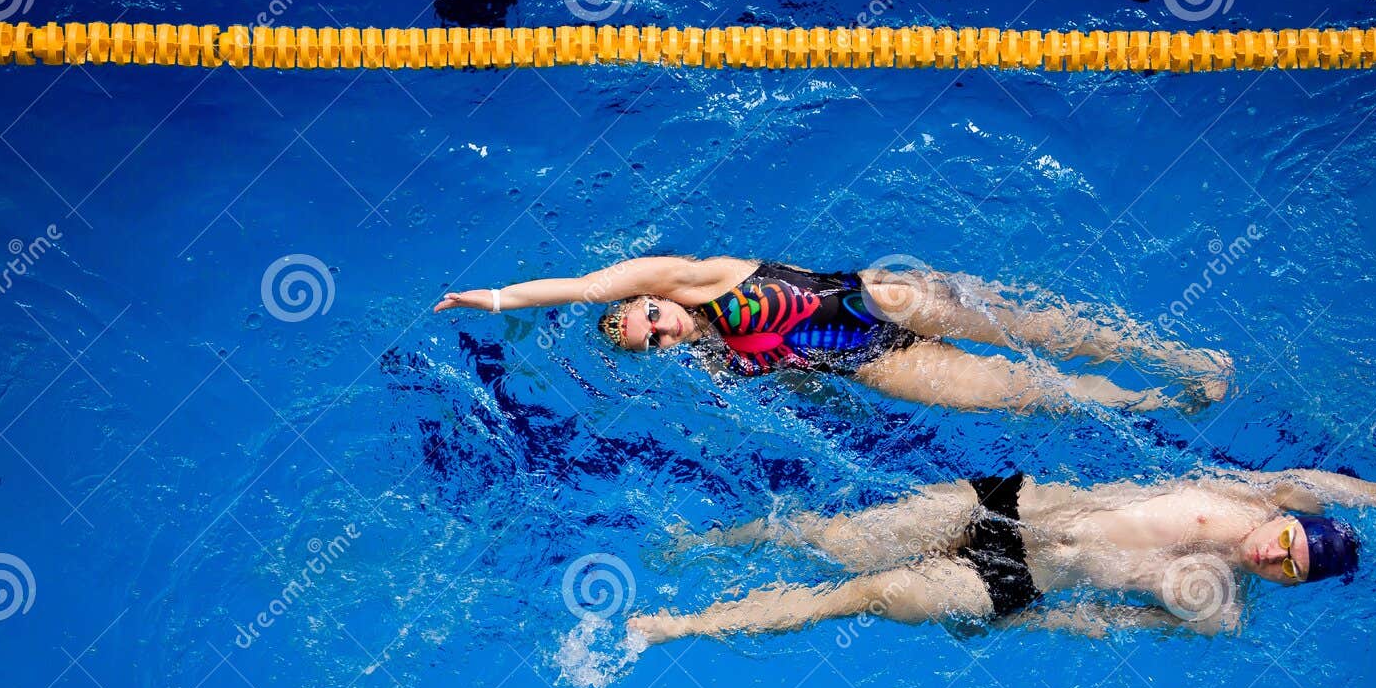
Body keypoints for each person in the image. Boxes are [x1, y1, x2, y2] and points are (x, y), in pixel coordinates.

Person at [626, 467, 1376, 645]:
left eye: (1289, 570)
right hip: (1011, 504)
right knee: (827, 535)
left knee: (854, 596)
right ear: (1294, 521)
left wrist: (1028, 625)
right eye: (1291, 543)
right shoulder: (1258, 495)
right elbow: (1350, 486)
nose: (1275, 555)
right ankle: (699, 545)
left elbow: (1105, 625)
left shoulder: (1214, 604)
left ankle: (677, 626)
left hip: (1010, 579)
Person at [434, 255, 1231, 414]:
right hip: (872, 364)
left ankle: (1182, 357)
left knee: (1037, 333)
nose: (658, 327)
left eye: (645, 316)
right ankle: (1160, 400)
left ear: (648, 297)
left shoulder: (688, 276)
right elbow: (802, 380)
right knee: (1022, 395)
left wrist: (495, 298)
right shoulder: (716, 366)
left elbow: (577, 288)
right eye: (651, 341)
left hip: (882, 303)